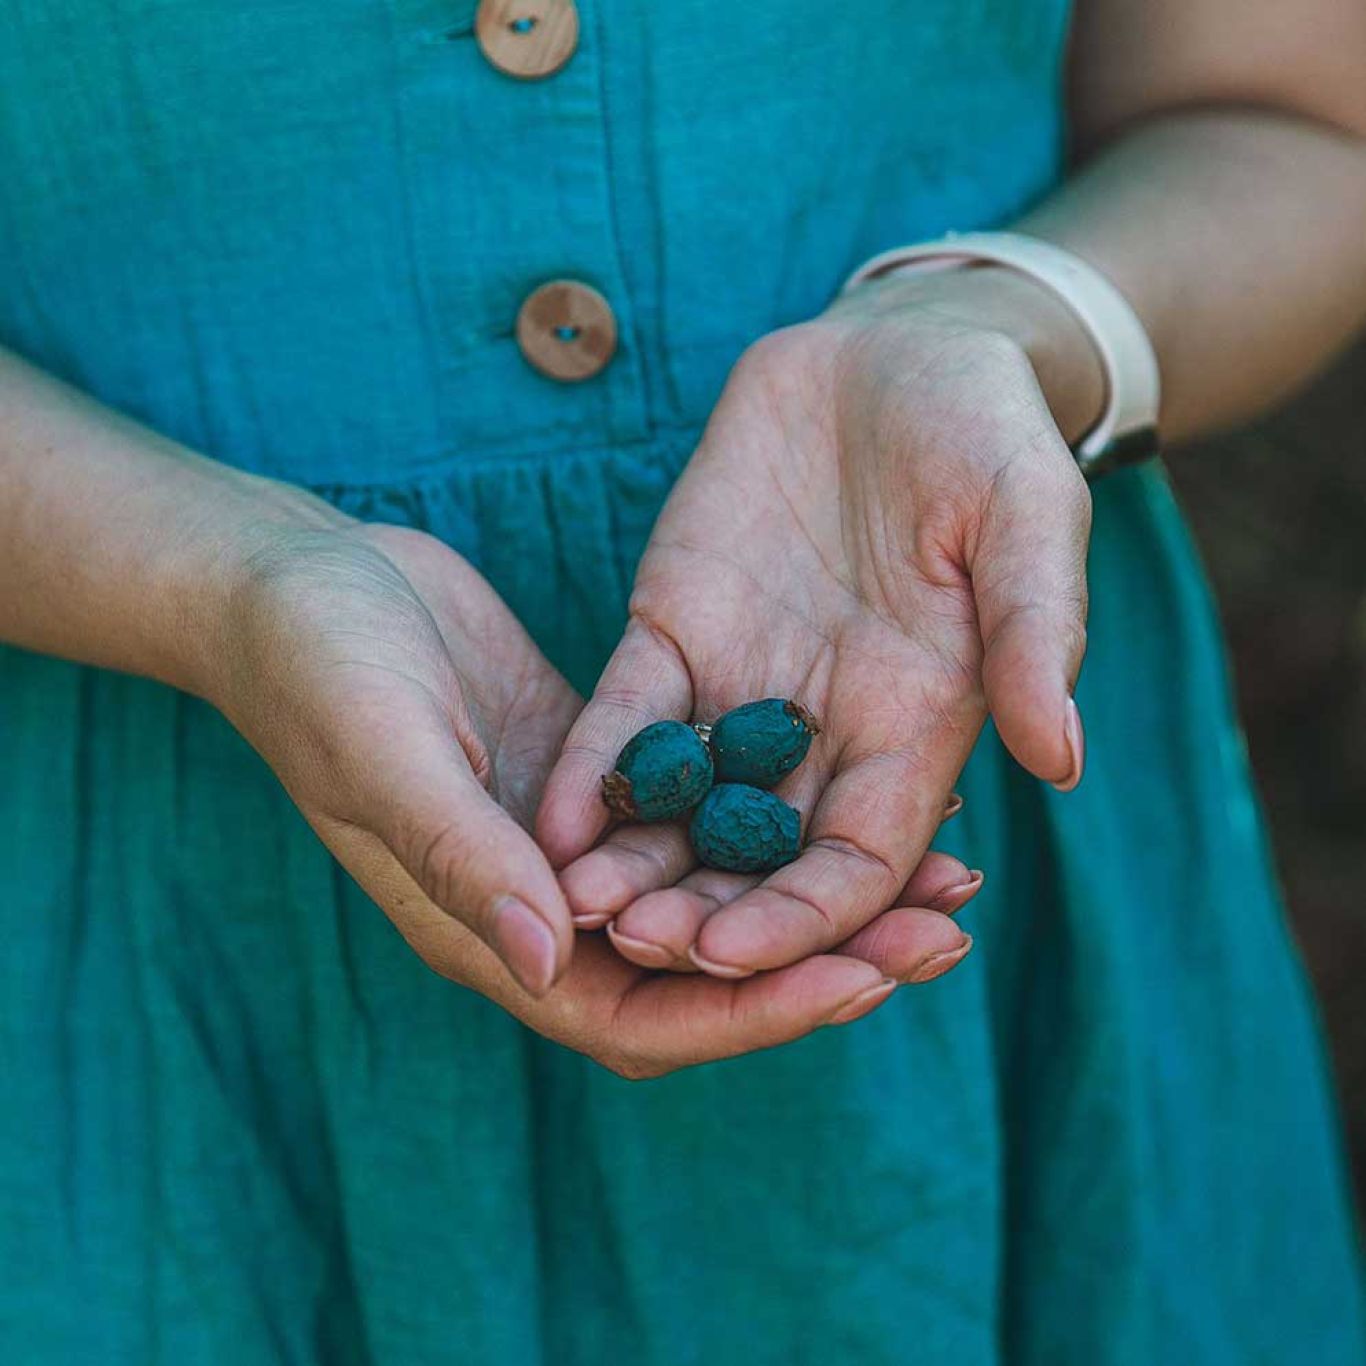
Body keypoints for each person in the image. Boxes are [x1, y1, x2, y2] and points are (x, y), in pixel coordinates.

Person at [1, 0, 1363, 1360]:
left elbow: (1291, 127)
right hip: (155, 927)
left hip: (950, 749)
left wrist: (998, 326)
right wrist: (214, 574)